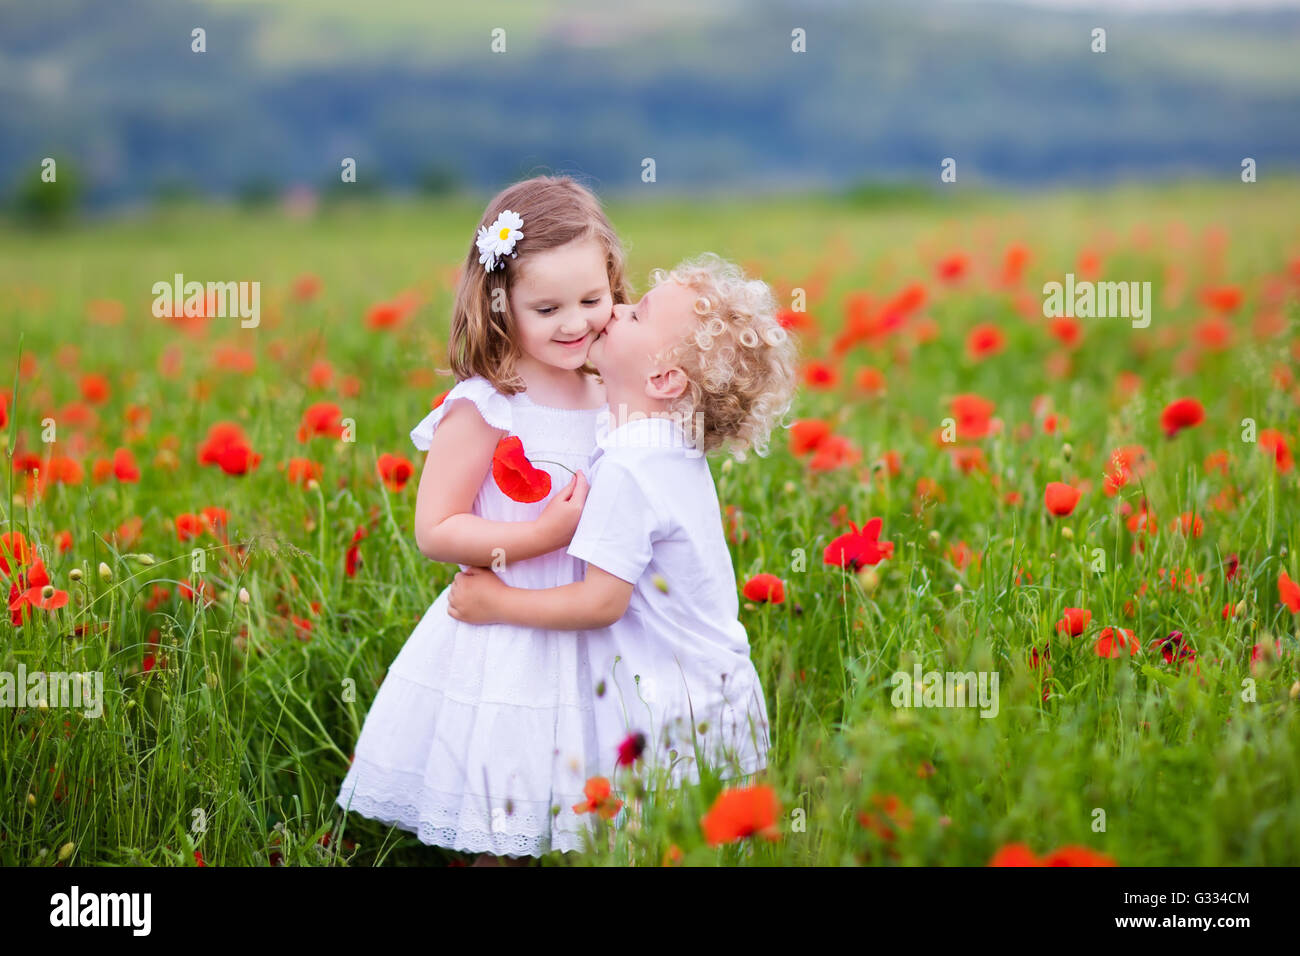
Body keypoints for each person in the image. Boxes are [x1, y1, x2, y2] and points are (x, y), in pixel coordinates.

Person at [335, 174, 630, 865]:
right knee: (502, 817)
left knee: (598, 814)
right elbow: (435, 528)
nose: (575, 322)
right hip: (507, 635)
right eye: (547, 307)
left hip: (601, 622)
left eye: (592, 298)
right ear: (500, 307)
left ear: (614, 281)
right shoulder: (489, 404)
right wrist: (540, 537)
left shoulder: (615, 388)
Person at [448, 252, 798, 803]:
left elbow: (601, 601)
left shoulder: (631, 466)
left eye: (638, 315)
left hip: (678, 722)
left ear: (663, 379)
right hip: (719, 703)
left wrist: (496, 603)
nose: (617, 310)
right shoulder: (668, 452)